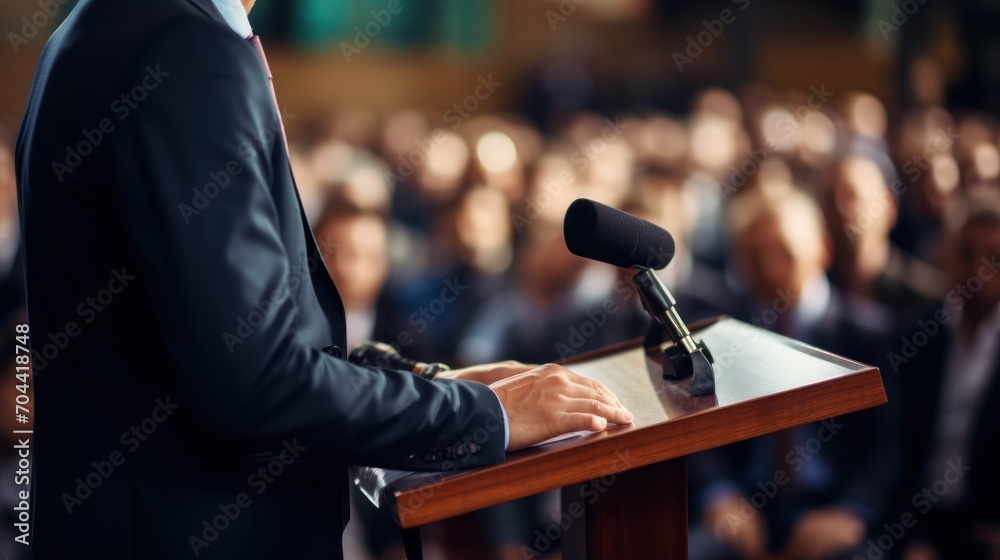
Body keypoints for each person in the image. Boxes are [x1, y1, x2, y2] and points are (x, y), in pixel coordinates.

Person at [14, 1, 632, 558]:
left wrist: (427, 383)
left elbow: (186, 343)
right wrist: (483, 415)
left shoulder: (98, 26)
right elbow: (252, 380)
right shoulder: (186, 50)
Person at [689, 188, 900, 560]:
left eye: (784, 252)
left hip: (831, 502)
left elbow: (890, 443)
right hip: (744, 501)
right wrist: (720, 494)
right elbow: (695, 426)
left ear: (823, 248)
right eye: (754, 257)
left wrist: (850, 509)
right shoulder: (718, 334)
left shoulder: (870, 334)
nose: (770, 269)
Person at [896, 194, 1000, 560]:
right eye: (966, 253)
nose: (979, 272)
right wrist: (908, 537)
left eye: (994, 258)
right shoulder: (911, 336)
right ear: (944, 254)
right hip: (916, 519)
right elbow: (893, 447)